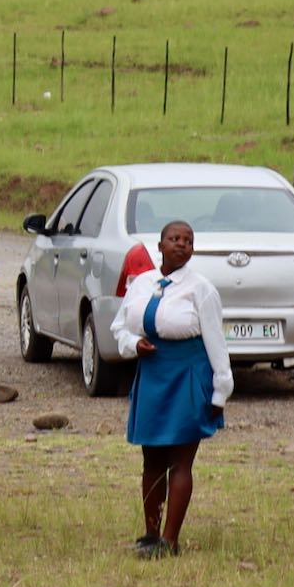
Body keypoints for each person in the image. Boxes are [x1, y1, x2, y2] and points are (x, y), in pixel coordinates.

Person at [112, 221, 232, 559]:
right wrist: (133, 343)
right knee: (151, 459)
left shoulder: (201, 289)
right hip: (152, 374)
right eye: (174, 239)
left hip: (188, 375)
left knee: (180, 461)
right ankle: (151, 533)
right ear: (159, 245)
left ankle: (170, 540)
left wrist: (220, 391)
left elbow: (216, 343)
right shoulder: (142, 284)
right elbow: (119, 326)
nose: (181, 245)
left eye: (188, 241)